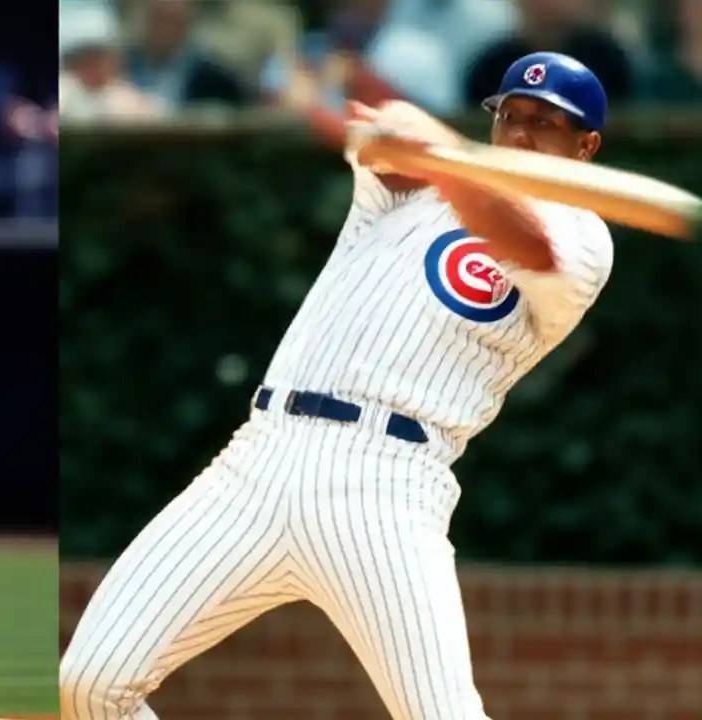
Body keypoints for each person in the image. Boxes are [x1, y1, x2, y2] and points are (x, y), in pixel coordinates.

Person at [59, 51, 614, 720]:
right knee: (91, 682)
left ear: (585, 147)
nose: (520, 135)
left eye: (546, 123)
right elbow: (381, 146)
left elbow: (525, 243)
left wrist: (440, 148)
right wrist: (402, 129)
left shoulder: (585, 236)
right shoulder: (418, 190)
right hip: (258, 459)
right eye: (511, 117)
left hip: (386, 483)